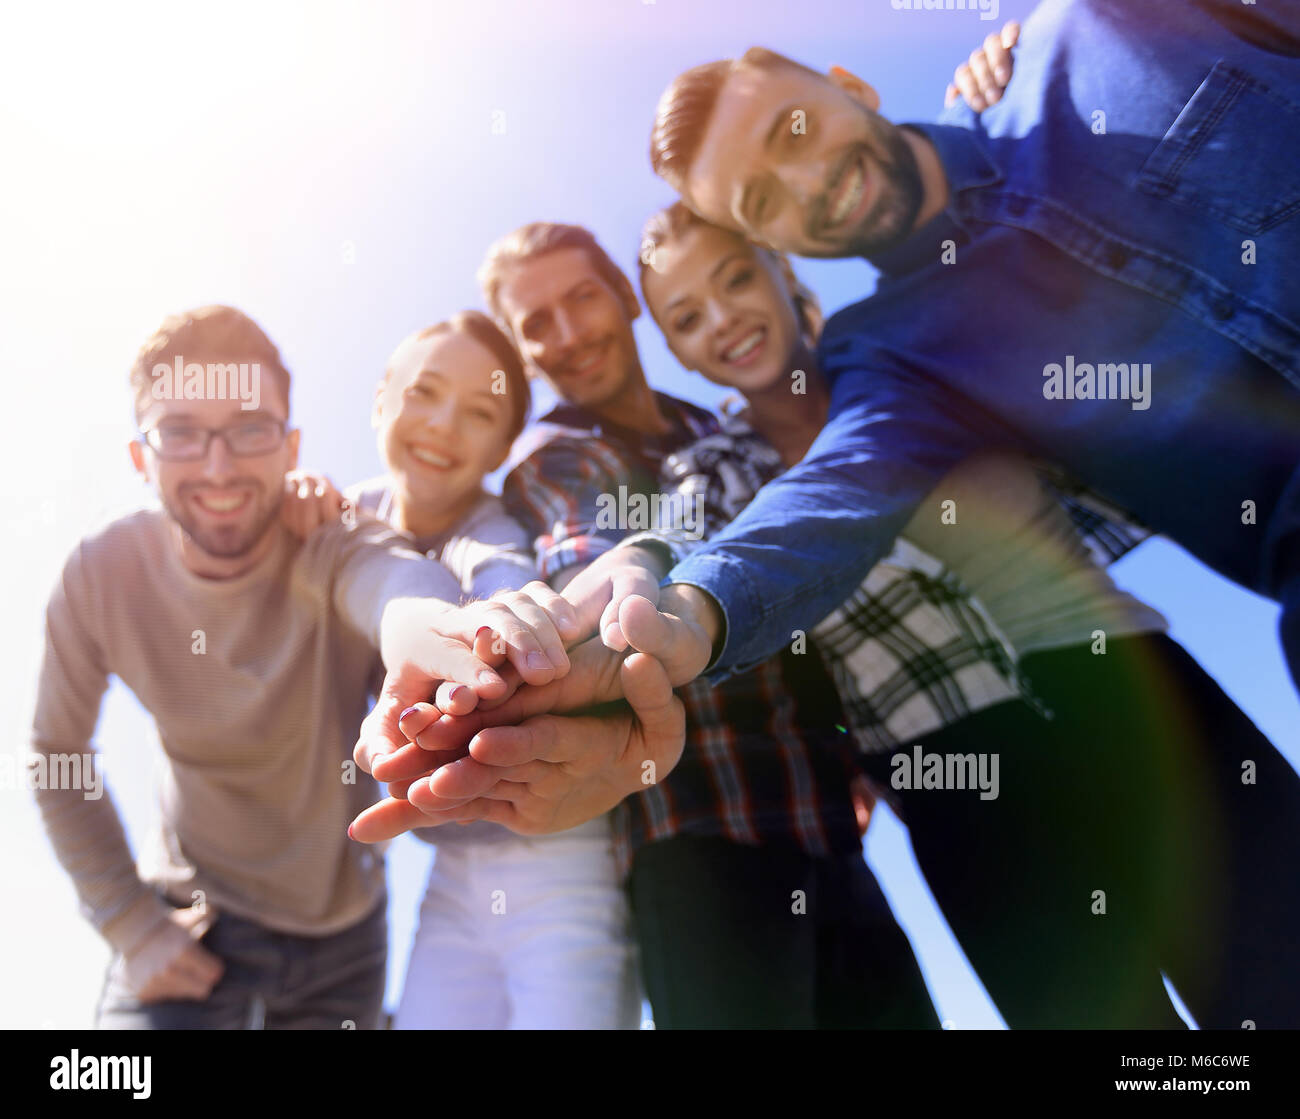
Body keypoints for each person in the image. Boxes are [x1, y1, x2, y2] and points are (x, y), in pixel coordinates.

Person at [622, 200, 1300, 1028]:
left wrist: (998, 66)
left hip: (1133, 684)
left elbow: (1037, 244)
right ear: (674, 348)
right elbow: (669, 547)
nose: (723, 319)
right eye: (686, 316)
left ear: (784, 272)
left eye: (736, 277)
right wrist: (617, 582)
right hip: (957, 772)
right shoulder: (713, 470)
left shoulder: (922, 350)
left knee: (1275, 975)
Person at [639, 0, 1300, 696]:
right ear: (770, 241)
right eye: (763, 201)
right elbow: (829, 500)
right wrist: (691, 608)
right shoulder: (894, 356)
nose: (811, 186)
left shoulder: (1100, 28)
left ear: (852, 86)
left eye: (794, 133)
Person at [379, 221, 938, 1029]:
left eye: (582, 298)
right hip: (698, 840)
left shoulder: (718, 429)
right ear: (523, 351)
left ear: (625, 297)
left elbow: (809, 588)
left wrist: (849, 747)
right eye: (537, 323)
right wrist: (603, 596)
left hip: (824, 821)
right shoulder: (556, 453)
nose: (568, 333)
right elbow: (587, 549)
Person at [29, 305, 571, 1029]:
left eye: (250, 428)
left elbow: (393, 587)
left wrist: (437, 629)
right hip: (186, 927)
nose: (218, 467)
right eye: (181, 432)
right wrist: (129, 922)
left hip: (343, 945)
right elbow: (54, 753)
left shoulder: (328, 537)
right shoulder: (101, 575)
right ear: (140, 456)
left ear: (290, 446)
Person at [289, 311, 641, 1029]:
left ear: (503, 447)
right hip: (450, 867)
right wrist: (293, 494)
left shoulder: (493, 528)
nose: (444, 424)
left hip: (558, 853)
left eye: (479, 412)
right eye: (424, 393)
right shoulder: (343, 515)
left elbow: (498, 579)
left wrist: (496, 621)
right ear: (382, 396)